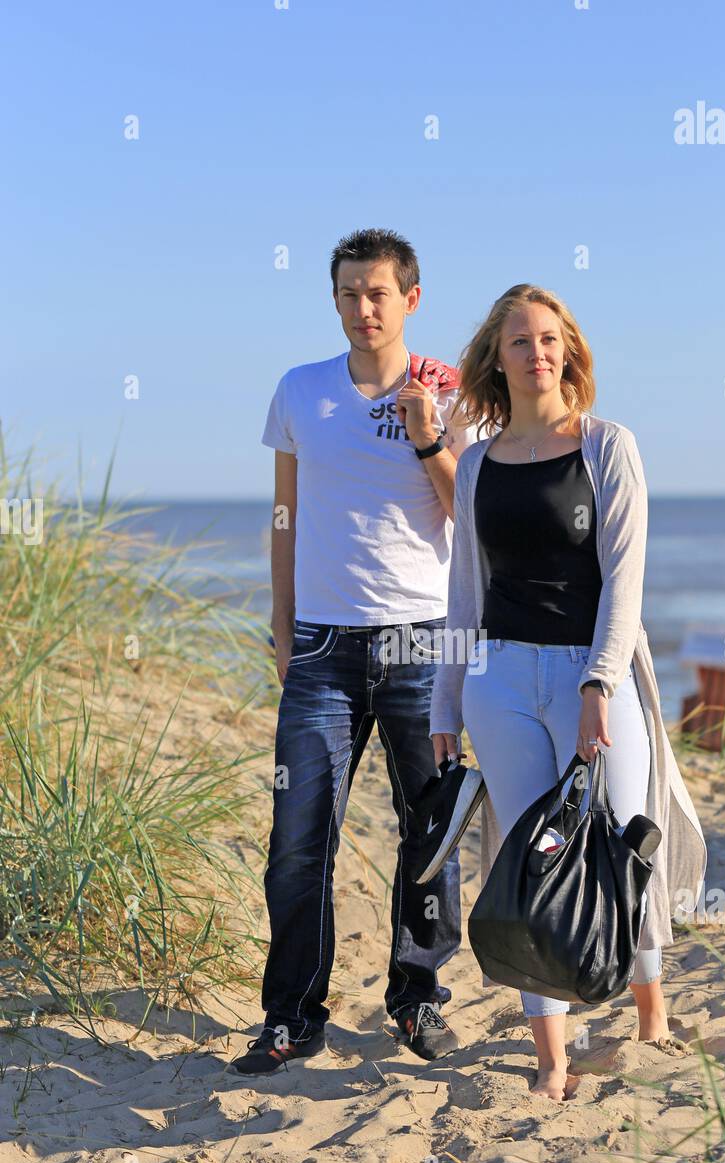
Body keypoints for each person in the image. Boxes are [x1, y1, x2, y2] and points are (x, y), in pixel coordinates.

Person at [428, 284, 707, 1101]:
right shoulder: (476, 463)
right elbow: (462, 597)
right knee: (527, 861)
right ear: (497, 358)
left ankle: (650, 1012)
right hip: (501, 678)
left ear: (569, 351)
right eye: (520, 341)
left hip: (596, 671)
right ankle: (552, 1057)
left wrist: (597, 682)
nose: (538, 352)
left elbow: (625, 580)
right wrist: (447, 705)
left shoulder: (607, 447)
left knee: (625, 842)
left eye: (550, 339)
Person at [232, 228, 478, 1076]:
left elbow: (469, 516)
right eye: (347, 293)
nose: (362, 308)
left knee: (430, 831)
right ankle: (293, 1016)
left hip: (422, 642)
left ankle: (416, 1002)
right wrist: (281, 618)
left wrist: (426, 435)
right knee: (299, 837)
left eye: (377, 293)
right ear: (333, 300)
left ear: (411, 298)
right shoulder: (300, 391)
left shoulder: (450, 390)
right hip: (322, 649)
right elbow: (284, 516)